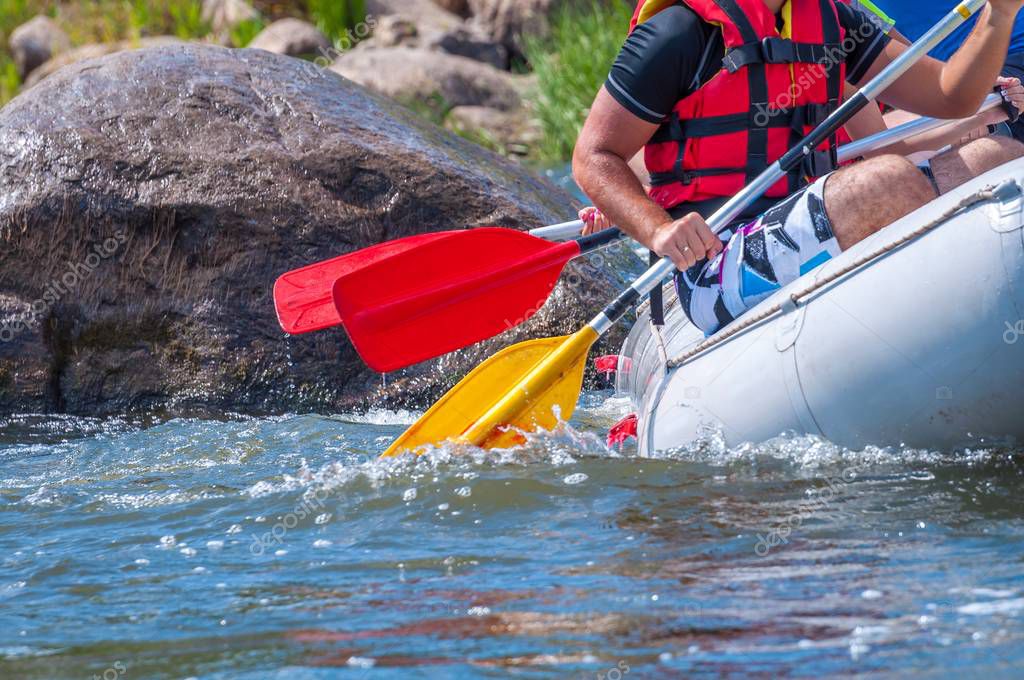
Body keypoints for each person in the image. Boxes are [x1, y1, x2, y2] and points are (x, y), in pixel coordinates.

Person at [573, 0, 1024, 336]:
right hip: (713, 262)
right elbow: (594, 155)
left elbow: (950, 96)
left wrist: (999, 14)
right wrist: (653, 227)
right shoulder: (678, 34)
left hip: (812, 217)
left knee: (995, 159)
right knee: (886, 181)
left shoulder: (834, 21)